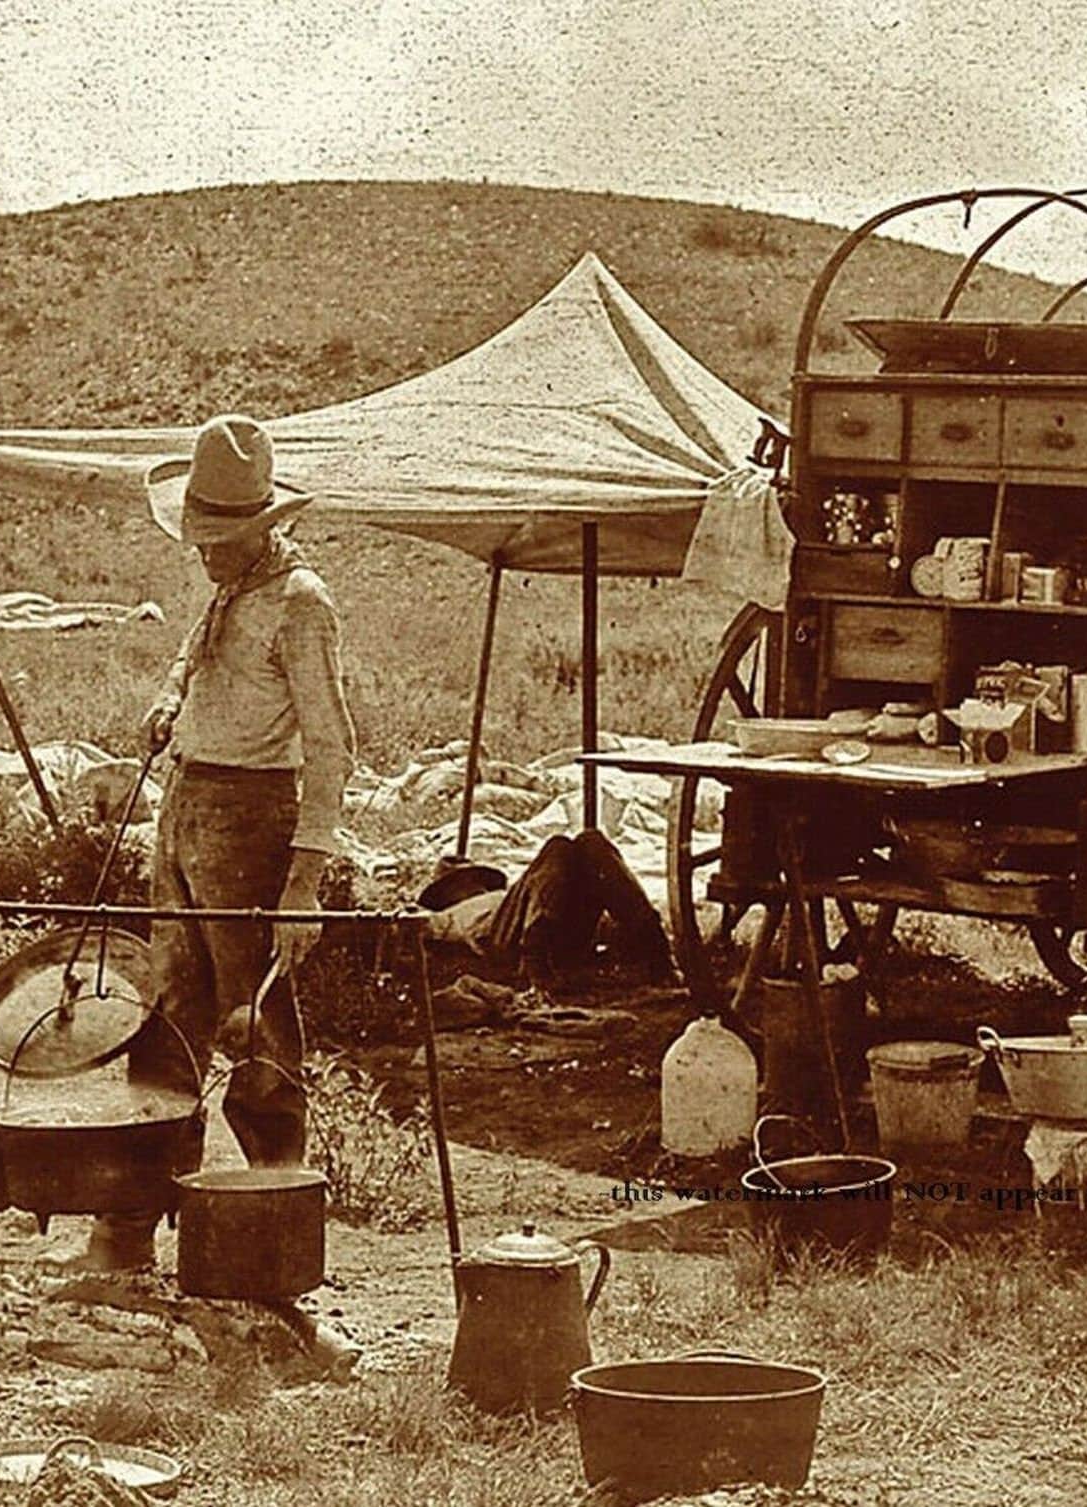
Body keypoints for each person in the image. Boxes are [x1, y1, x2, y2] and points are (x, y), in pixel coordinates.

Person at [79, 413, 357, 1272]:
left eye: (219, 539)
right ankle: (129, 1226)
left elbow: (333, 744)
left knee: (259, 1029)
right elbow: (191, 662)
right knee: (167, 1021)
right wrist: (166, 705)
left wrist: (303, 880)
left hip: (253, 819)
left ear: (262, 528)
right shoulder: (227, 590)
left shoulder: (301, 603)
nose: (204, 553)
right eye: (199, 538)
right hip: (186, 807)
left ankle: (276, 1230)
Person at [423, 830, 675, 987]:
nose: (471, 886)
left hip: (555, 928)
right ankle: (535, 955)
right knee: (558, 846)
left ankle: (655, 945)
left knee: (591, 841)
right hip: (510, 940)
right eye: (459, 883)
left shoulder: (510, 896)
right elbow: (422, 927)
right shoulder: (451, 914)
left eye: (472, 879)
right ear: (446, 896)